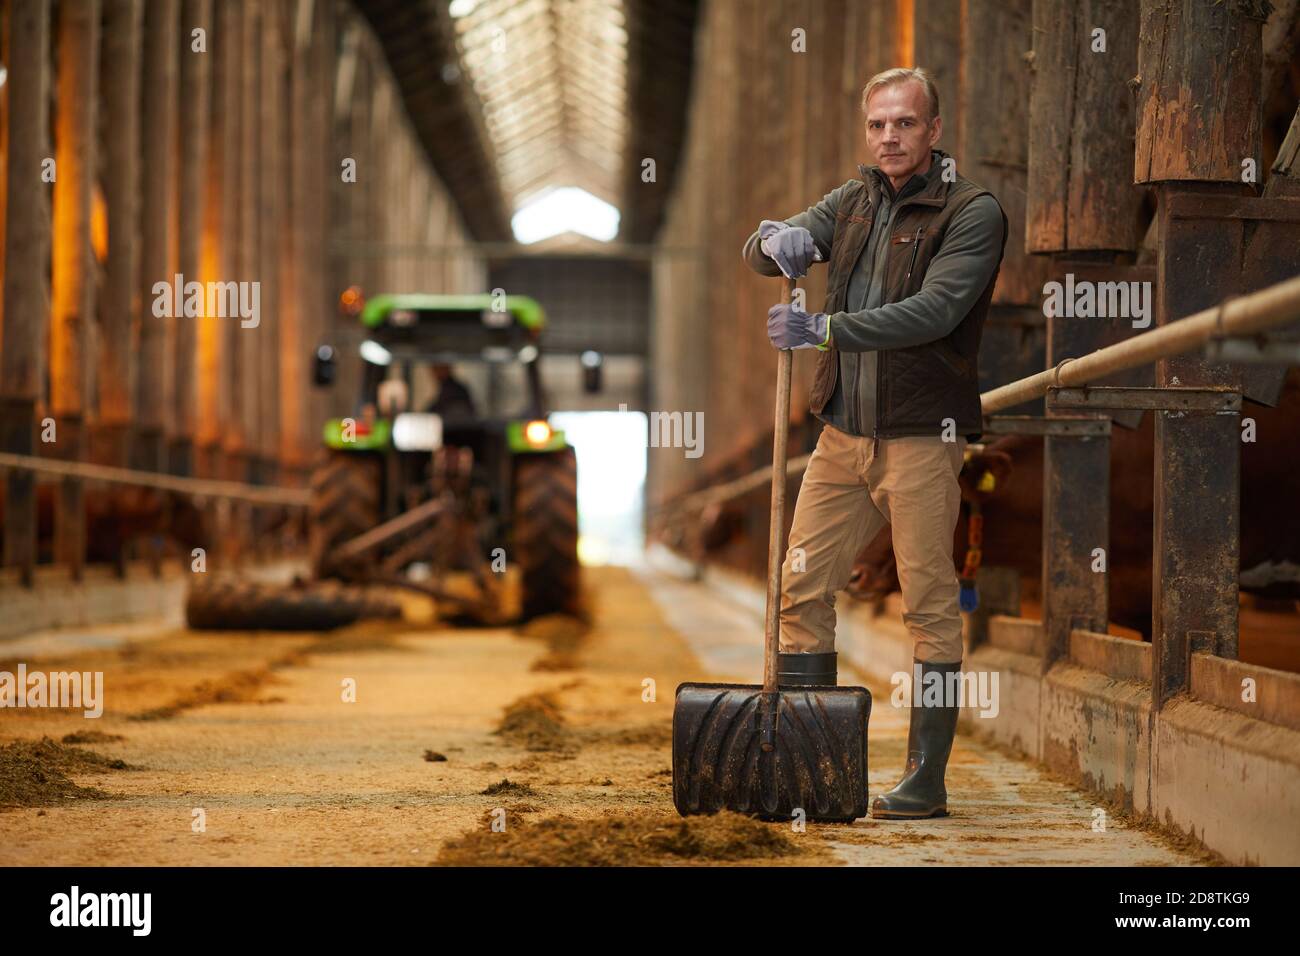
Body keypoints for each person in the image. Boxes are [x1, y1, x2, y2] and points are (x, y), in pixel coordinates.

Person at [741, 67, 1007, 820]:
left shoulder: (972, 211)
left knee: (926, 605)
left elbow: (936, 309)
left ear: (934, 130)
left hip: (923, 436)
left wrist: (826, 329)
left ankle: (925, 780)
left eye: (906, 124)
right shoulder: (852, 202)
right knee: (799, 585)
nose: (890, 136)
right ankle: (812, 765)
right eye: (878, 124)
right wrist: (775, 241)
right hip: (841, 436)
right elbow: (765, 251)